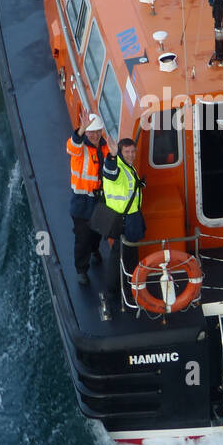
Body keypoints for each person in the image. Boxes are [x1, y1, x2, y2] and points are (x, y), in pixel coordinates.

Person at [66, 108, 109, 286]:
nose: (94, 135)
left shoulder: (107, 147)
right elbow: (72, 145)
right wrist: (81, 129)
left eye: (97, 131)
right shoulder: (80, 149)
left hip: (101, 200)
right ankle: (81, 270)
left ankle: (95, 249)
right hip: (82, 201)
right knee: (82, 238)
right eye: (91, 132)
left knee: (98, 231)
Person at [102, 136, 146, 304]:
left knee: (129, 252)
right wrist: (112, 156)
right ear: (120, 153)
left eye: (133, 151)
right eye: (127, 152)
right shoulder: (117, 166)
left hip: (131, 217)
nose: (131, 155)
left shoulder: (128, 166)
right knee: (119, 254)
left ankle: (130, 282)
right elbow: (110, 173)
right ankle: (113, 290)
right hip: (125, 218)